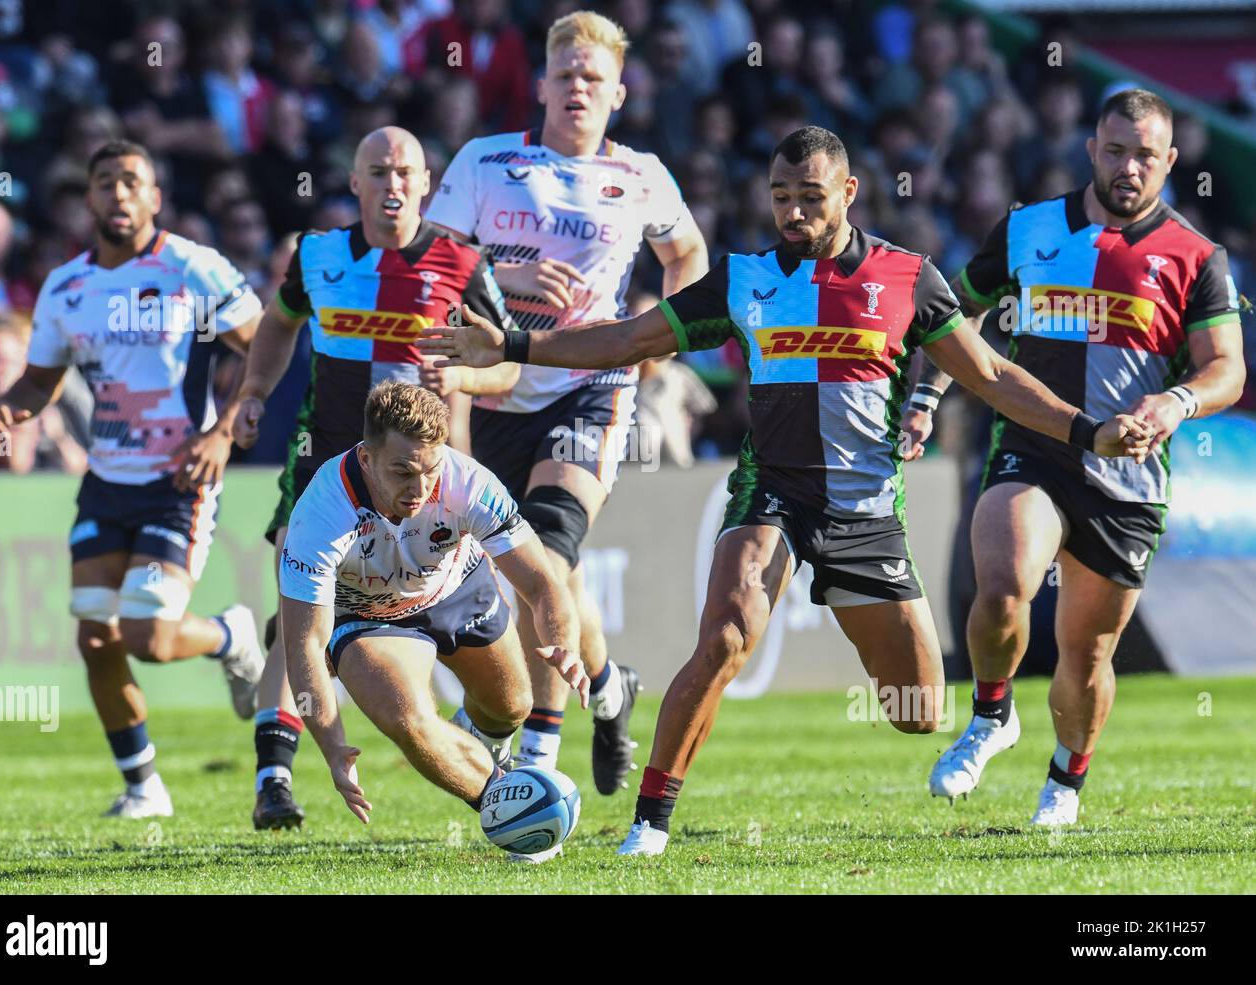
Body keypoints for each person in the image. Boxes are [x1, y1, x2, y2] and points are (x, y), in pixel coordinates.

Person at [420, 125, 1155, 856]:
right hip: (768, 496)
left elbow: (992, 377)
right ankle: (649, 824)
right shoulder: (744, 278)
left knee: (918, 709)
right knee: (723, 640)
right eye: (780, 197)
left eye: (810, 197)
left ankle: (995, 713)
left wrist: (1088, 433)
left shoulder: (908, 279)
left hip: (864, 514)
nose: (794, 214)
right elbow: (628, 339)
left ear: (849, 193)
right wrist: (516, 343)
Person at [904, 89, 1245, 826]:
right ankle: (992, 713)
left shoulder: (1196, 257)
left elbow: (1227, 368)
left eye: (1145, 156)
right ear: (1091, 148)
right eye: (1115, 150)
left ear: (1170, 163)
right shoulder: (1027, 230)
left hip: (1129, 477)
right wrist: (926, 397)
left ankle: (1065, 777)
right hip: (1034, 447)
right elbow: (953, 316)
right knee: (999, 589)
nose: (1128, 168)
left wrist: (1177, 402)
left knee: (1085, 655)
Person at [425, 10, 709, 793]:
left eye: (595, 78)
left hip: (589, 387)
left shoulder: (640, 174)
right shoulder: (486, 163)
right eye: (567, 75)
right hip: (491, 389)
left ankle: (538, 759)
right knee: (540, 579)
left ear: (618, 93)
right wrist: (508, 280)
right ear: (543, 84)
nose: (578, 88)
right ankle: (611, 689)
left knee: (547, 558)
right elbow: (432, 264)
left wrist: (658, 335)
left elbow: (686, 251)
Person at [230, 125, 520, 830]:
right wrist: (253, 391)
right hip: (325, 464)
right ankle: (274, 775)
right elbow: (277, 324)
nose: (392, 184)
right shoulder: (319, 255)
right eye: (377, 172)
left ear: (426, 183)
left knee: (495, 687)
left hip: (425, 485)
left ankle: (479, 733)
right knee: (292, 609)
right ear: (355, 183)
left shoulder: (460, 260)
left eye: (405, 172)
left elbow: (510, 366)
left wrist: (467, 374)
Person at [0, 140, 267, 818]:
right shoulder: (67, 287)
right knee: (94, 633)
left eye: (131, 181)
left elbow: (266, 346)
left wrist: (223, 432)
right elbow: (41, 381)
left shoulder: (193, 269)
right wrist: (4, 408)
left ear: (155, 196)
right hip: (106, 480)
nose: (118, 194)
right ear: (89, 198)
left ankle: (233, 636)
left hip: (179, 479)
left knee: (148, 634)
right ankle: (144, 786)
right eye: (104, 182)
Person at [280, 381, 587, 862]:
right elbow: (304, 645)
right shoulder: (320, 513)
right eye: (402, 471)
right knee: (409, 718)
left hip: (457, 588)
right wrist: (331, 744)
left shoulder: (470, 484)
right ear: (366, 458)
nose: (419, 489)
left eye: (430, 470)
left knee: (512, 708)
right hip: (366, 614)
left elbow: (544, 585)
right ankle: (511, 811)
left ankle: (482, 746)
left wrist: (563, 643)